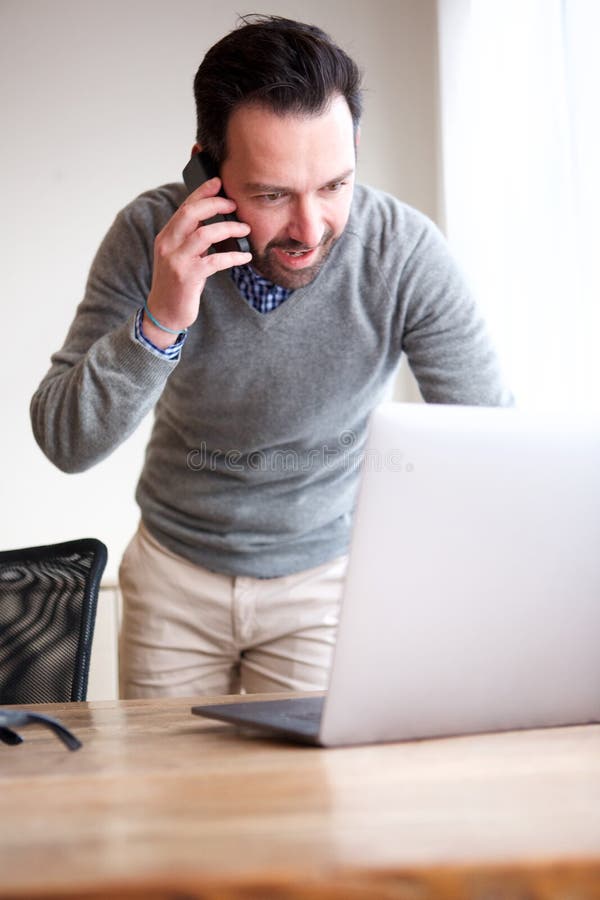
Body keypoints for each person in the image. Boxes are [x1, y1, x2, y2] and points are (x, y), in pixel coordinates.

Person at [31, 15, 511, 698]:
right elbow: (64, 442)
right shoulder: (148, 236)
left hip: (323, 584)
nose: (311, 230)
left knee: (307, 803)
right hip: (174, 578)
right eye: (273, 194)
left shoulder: (403, 253)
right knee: (173, 802)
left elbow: (492, 440)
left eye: (334, 186)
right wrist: (163, 317)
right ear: (206, 169)